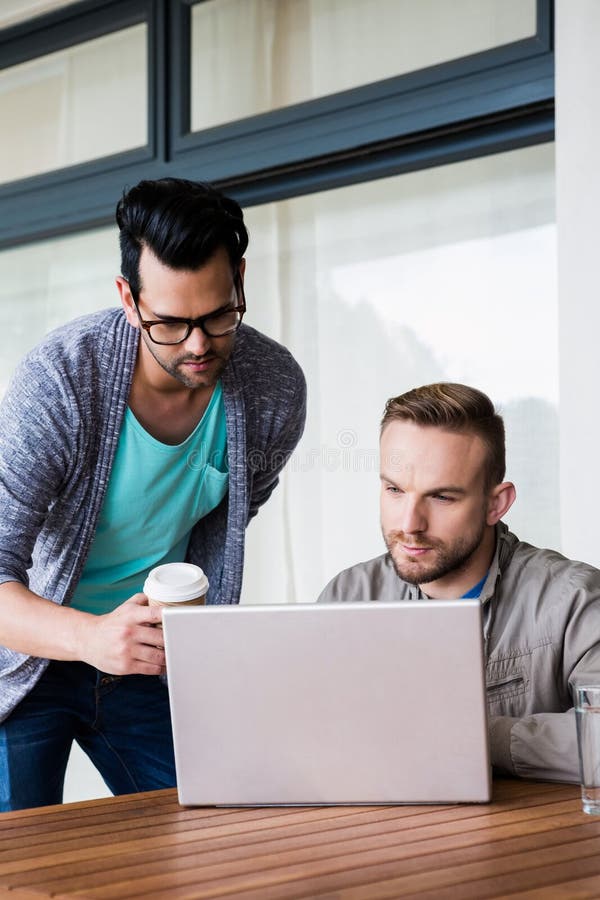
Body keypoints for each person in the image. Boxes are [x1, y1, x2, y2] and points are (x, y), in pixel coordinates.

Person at [0, 177, 306, 811]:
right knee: (18, 860)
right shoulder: (62, 380)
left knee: (208, 836)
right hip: (29, 657)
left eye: (219, 315)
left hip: (152, 661)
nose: (198, 345)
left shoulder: (274, 389)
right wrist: (89, 638)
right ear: (127, 298)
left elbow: (230, 521)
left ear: (241, 280)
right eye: (169, 322)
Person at [319, 382, 600, 783]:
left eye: (442, 498)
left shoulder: (574, 600)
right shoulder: (347, 597)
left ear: (495, 503)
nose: (409, 524)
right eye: (395, 490)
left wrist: (475, 736)